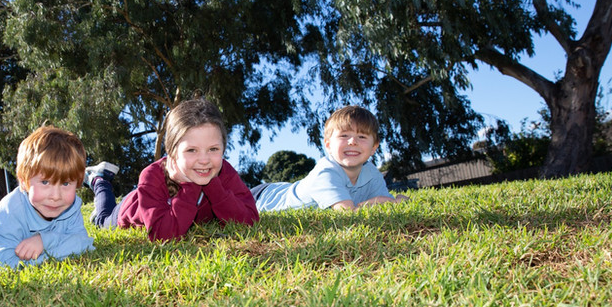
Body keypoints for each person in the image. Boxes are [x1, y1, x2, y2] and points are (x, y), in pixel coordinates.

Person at [88, 98, 258, 241]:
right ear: (172, 153)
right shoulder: (152, 175)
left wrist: (213, 184)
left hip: (151, 195)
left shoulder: (223, 172)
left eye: (213, 149)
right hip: (127, 210)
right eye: (192, 150)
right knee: (102, 219)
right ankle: (99, 179)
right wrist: (188, 185)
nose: (205, 160)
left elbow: (250, 219)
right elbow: (162, 235)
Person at [0, 126, 94, 268]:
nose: (56, 196)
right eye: (45, 182)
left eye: (66, 183)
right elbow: (4, 264)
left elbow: (83, 243)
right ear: (24, 182)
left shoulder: (71, 208)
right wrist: (52, 255)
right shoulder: (11, 209)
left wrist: (44, 241)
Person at [251, 105, 408, 212]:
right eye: (344, 135)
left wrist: (388, 202)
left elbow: (385, 202)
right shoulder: (326, 172)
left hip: (287, 187)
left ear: (374, 147)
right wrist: (391, 202)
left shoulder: (371, 172)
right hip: (262, 197)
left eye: (361, 136)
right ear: (328, 145)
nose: (352, 141)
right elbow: (347, 212)